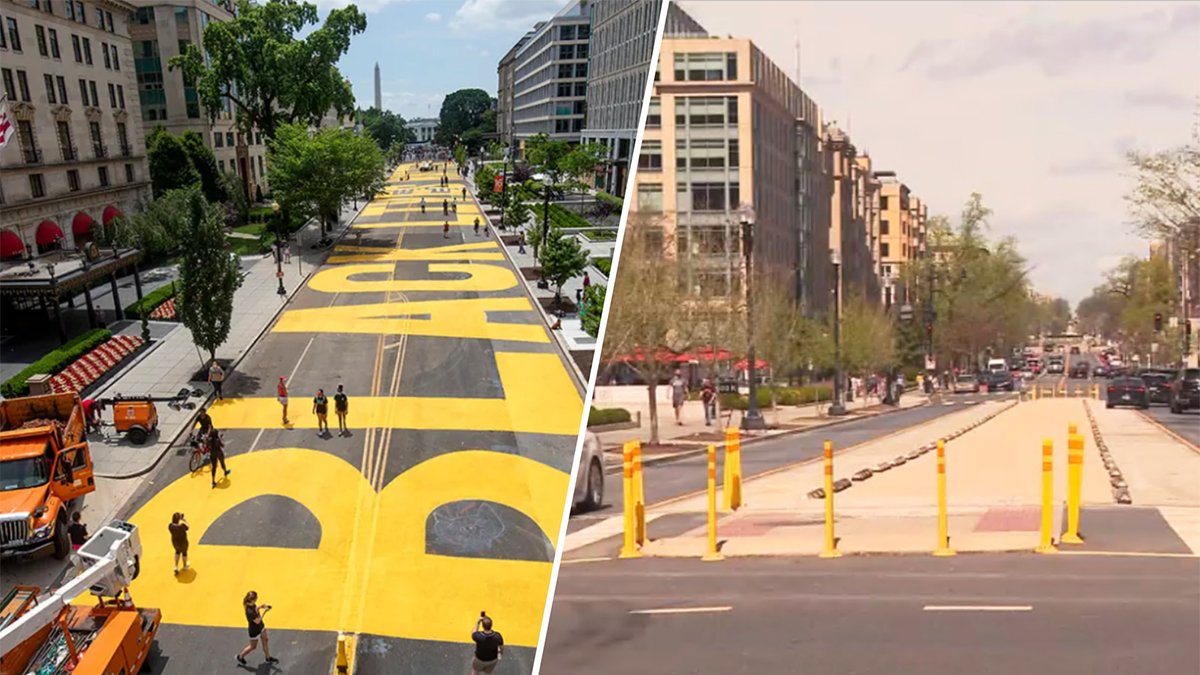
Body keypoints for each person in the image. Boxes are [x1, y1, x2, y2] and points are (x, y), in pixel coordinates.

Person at [237, 591, 278, 666]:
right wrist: (265, 611)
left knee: (265, 640)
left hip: (261, 627)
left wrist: (260, 607)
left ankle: (268, 658)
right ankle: (240, 656)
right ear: (252, 600)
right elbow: (258, 621)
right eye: (256, 598)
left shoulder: (252, 604)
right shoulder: (249, 612)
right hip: (254, 631)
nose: (257, 599)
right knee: (253, 647)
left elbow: (255, 609)